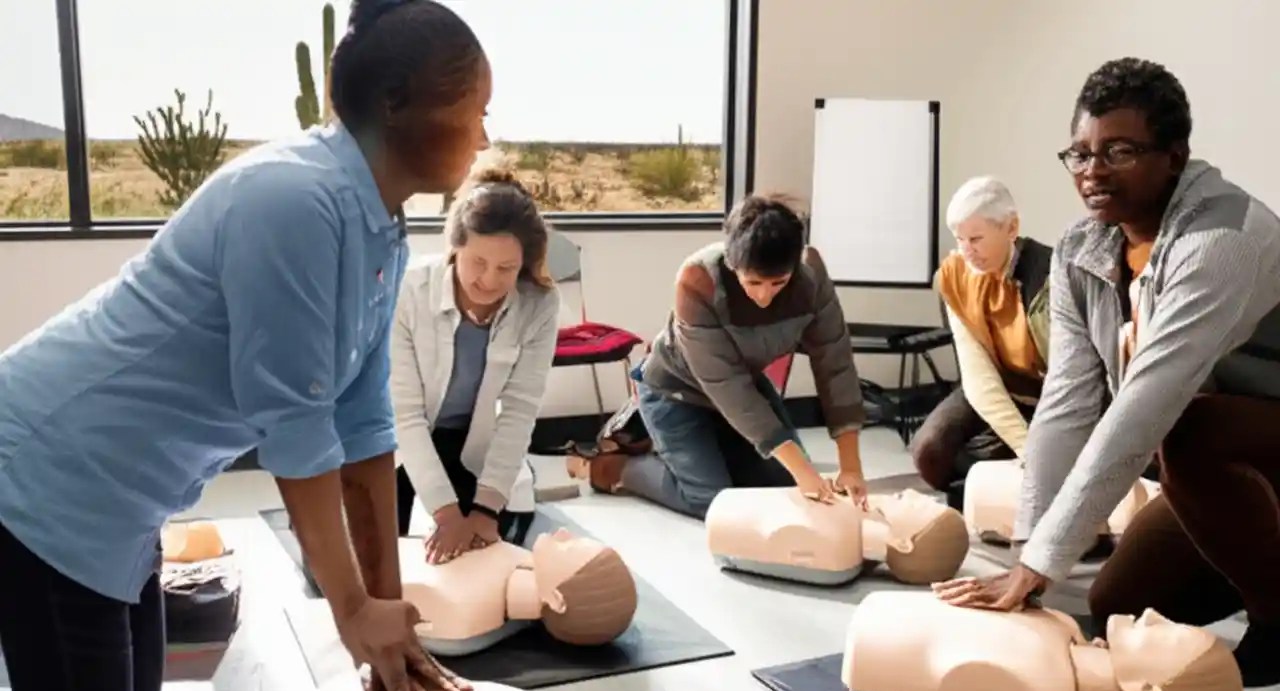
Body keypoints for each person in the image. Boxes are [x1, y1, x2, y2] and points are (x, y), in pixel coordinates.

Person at [0, 1, 491, 691]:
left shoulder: (380, 230)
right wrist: (349, 611)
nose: (484, 134)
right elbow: (296, 431)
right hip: (50, 482)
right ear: (395, 104)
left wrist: (385, 612)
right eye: (476, 108)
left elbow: (362, 424)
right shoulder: (292, 199)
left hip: (125, 510)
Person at [931, 57, 1280, 688]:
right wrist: (1029, 556)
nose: (1093, 171)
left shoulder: (1224, 237)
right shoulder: (1081, 248)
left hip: (1243, 436)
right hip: (1225, 461)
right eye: (1081, 154)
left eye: (1118, 151)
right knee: (1116, 605)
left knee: (1189, 427)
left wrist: (1042, 564)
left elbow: (1149, 403)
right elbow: (1067, 402)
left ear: (1174, 155)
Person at [588, 194, 869, 519]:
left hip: (745, 389)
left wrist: (851, 467)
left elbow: (836, 365)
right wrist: (804, 472)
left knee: (785, 491)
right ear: (733, 265)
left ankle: (706, 457)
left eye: (778, 282)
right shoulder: (698, 280)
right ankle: (617, 467)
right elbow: (729, 387)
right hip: (676, 395)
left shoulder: (811, 275)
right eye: (753, 282)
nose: (765, 295)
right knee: (713, 502)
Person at [390, 167, 559, 563]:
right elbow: (405, 415)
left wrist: (484, 510)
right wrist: (445, 514)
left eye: (506, 269)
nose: (488, 280)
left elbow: (519, 410)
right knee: (373, 561)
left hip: (465, 437)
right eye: (477, 261)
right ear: (456, 247)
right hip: (390, 433)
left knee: (488, 549)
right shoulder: (409, 290)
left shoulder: (539, 304)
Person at [910, 176, 1051, 509]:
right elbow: (978, 378)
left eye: (976, 238)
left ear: (1011, 227)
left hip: (1049, 394)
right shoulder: (955, 275)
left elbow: (1066, 377)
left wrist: (1038, 444)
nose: (966, 251)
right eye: (959, 239)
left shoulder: (1047, 276)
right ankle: (997, 487)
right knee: (929, 452)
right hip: (999, 384)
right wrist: (1024, 443)